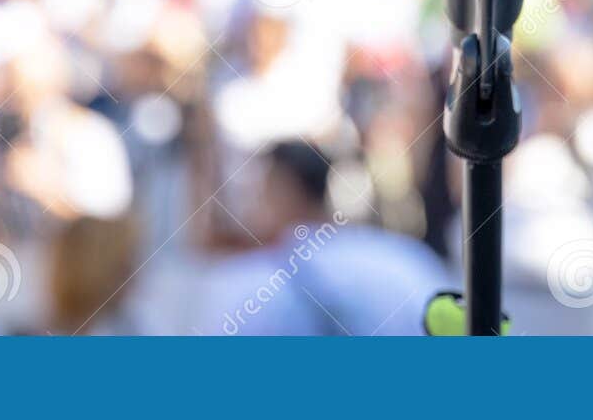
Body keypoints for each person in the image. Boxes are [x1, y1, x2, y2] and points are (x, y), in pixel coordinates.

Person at [190, 142, 450, 335]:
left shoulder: (251, 282)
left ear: (282, 189)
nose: (251, 206)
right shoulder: (405, 258)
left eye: (258, 191)